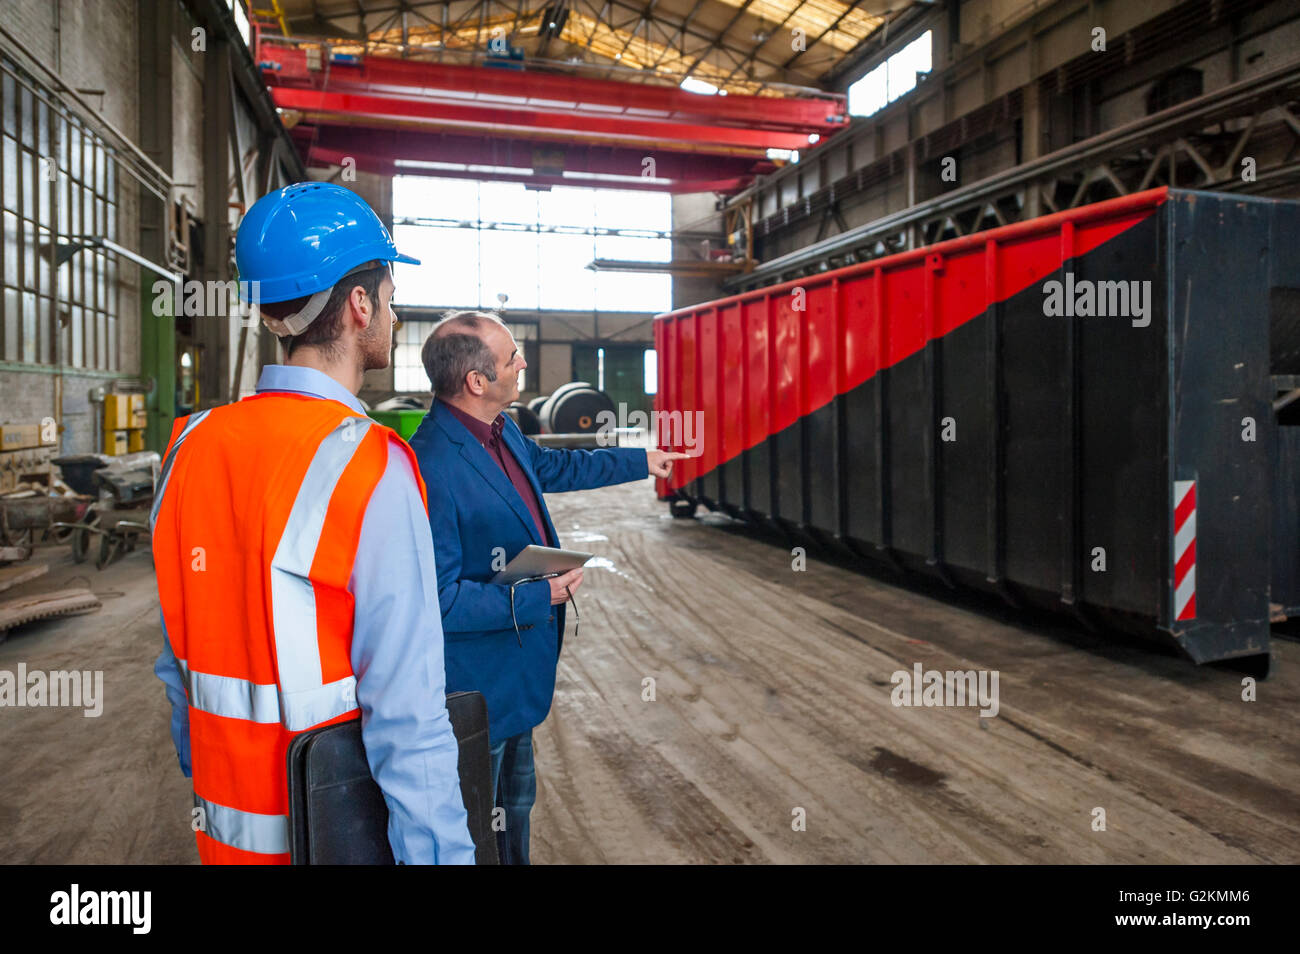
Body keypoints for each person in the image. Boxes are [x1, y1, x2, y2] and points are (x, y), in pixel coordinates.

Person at [150, 182, 475, 865]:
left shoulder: (189, 446)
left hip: (225, 839)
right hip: (333, 841)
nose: (392, 308)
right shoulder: (370, 466)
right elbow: (408, 720)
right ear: (361, 306)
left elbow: (179, 674)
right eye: (388, 293)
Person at [407, 311, 685, 864]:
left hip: (515, 682)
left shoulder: (502, 431)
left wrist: (640, 461)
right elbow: (439, 602)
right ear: (476, 381)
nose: (524, 363)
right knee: (474, 828)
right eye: (513, 356)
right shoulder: (429, 464)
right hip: (472, 689)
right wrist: (542, 596)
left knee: (515, 813)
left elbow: (555, 469)